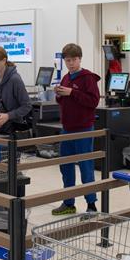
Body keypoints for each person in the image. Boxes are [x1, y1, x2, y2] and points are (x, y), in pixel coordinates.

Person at [50, 43, 101, 215]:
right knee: (66, 167)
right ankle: (69, 202)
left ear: (80, 59)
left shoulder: (88, 78)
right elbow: (64, 102)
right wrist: (60, 94)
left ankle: (91, 205)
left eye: (74, 60)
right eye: (68, 60)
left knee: (86, 167)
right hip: (67, 129)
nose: (71, 63)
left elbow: (93, 102)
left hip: (84, 129)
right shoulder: (65, 78)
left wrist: (72, 93)